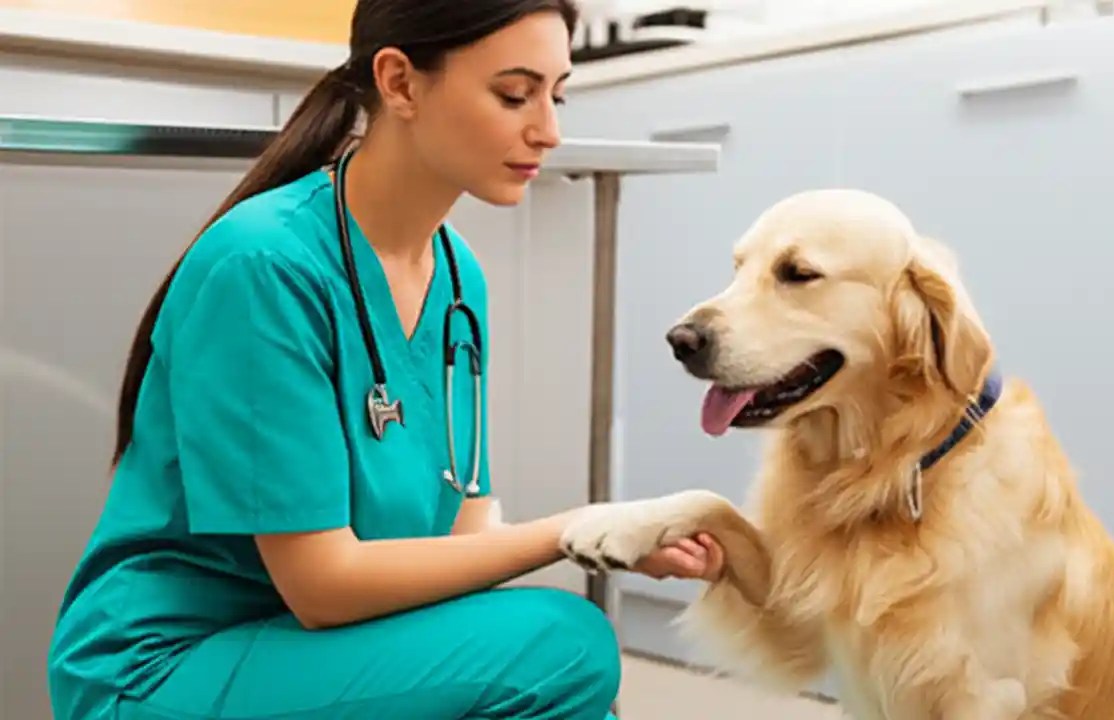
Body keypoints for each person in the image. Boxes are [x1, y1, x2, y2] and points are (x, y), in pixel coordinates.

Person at [46, 2, 725, 719]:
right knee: (569, 641)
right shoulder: (263, 266)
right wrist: (572, 530)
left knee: (572, 698)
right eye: (514, 95)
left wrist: (618, 543)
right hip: (165, 670)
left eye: (557, 96)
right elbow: (323, 586)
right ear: (400, 83)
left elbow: (464, 539)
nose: (548, 130)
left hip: (318, 656)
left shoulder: (457, 279)